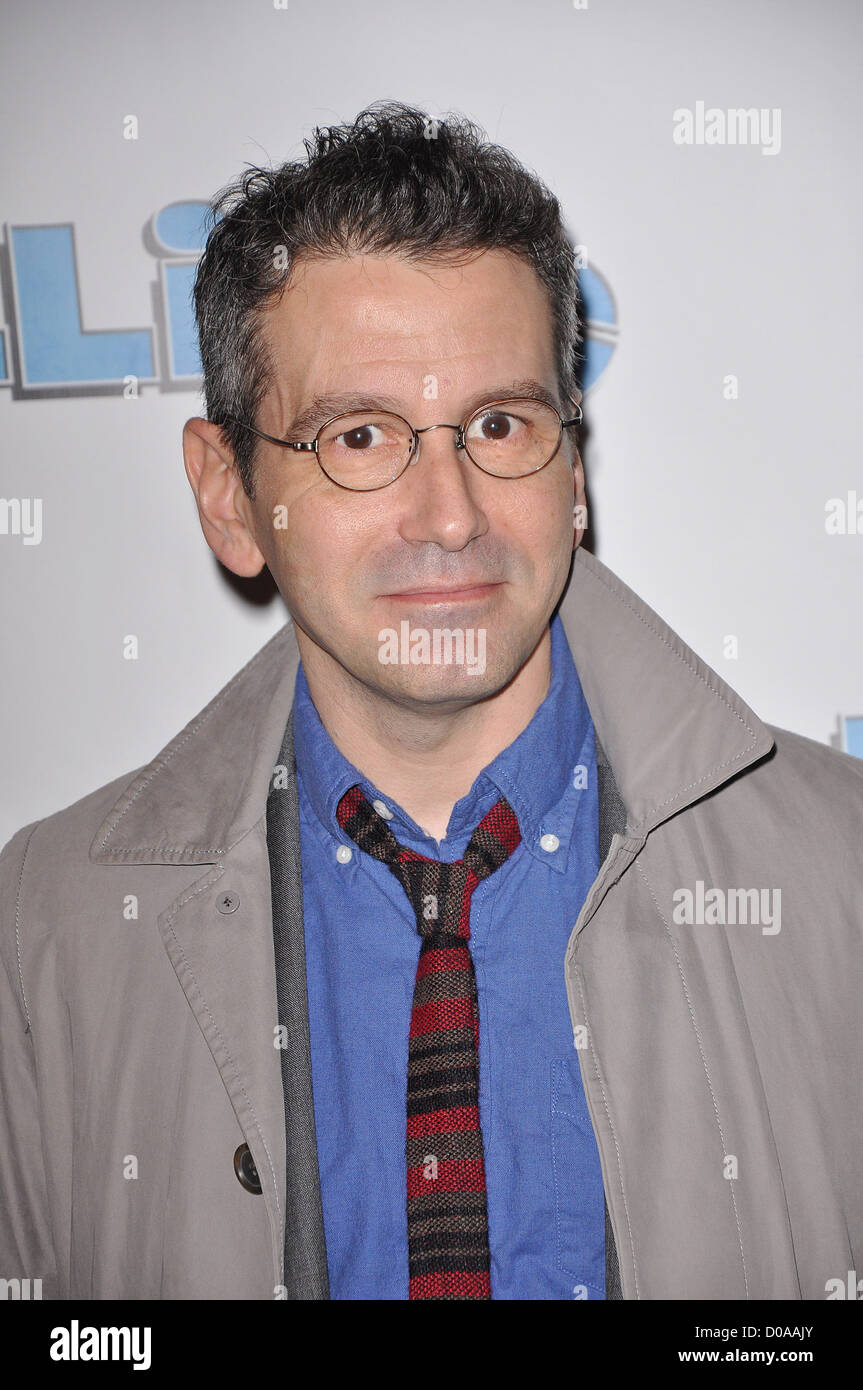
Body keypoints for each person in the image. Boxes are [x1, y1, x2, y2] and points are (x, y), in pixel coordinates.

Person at [1, 101, 861, 1302]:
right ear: (230, 497)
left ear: (572, 468)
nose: (449, 514)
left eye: (499, 423)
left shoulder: (840, 873)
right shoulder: (47, 936)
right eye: (360, 437)